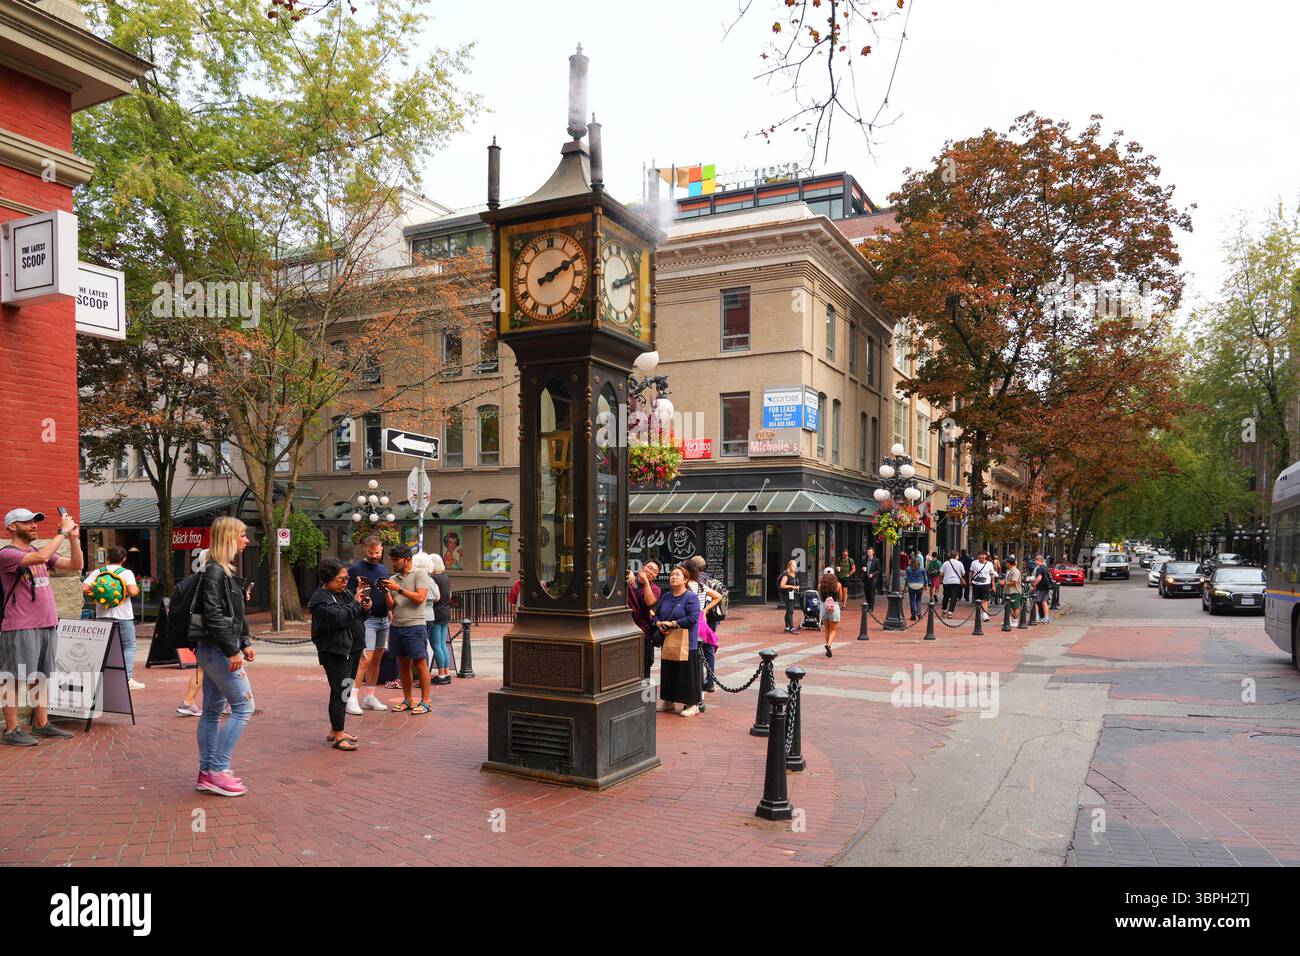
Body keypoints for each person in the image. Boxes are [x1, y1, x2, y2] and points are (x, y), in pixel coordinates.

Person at [1, 508, 82, 746]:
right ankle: (12, 730)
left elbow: (75, 565)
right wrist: (61, 532)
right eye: (28, 522)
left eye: (35, 521)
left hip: (47, 622)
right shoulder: (7, 553)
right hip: (20, 624)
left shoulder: (37, 550)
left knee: (42, 676)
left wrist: (74, 538)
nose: (34, 525)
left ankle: (41, 723)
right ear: (12, 527)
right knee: (13, 678)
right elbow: (40, 559)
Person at [193, 516, 254, 797]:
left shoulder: (219, 570)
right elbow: (215, 616)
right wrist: (233, 649)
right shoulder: (217, 572)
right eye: (242, 535)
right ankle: (218, 770)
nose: (246, 540)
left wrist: (244, 640)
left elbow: (231, 613)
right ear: (229, 537)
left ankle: (208, 772)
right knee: (243, 707)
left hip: (213, 648)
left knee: (212, 712)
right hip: (219, 650)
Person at [308, 558, 369, 750]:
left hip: (352, 648)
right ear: (329, 579)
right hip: (336, 651)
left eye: (346, 578)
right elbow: (340, 618)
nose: (345, 582)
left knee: (346, 689)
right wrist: (355, 604)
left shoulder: (343, 592)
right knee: (340, 691)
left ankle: (336, 729)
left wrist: (365, 608)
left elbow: (356, 615)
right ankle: (339, 734)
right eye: (341, 579)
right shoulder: (321, 599)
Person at [81, 545, 144, 690]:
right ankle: (127, 679)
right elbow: (133, 591)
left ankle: (100, 679)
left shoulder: (98, 571)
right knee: (129, 646)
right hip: (123, 616)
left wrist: (99, 591)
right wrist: (126, 592)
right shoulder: (126, 573)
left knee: (103, 648)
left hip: (102, 615)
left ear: (108, 558)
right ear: (124, 559)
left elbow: (83, 588)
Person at [381, 545, 434, 714]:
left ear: (408, 559)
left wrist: (399, 589)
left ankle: (425, 701)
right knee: (402, 664)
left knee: (420, 662)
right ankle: (408, 699)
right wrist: (385, 592)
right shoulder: (393, 578)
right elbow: (391, 605)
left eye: (396, 560)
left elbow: (419, 598)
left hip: (415, 625)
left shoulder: (420, 574)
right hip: (397, 626)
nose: (394, 563)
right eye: (392, 560)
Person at [347, 537, 392, 714]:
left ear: (382, 550)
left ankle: (369, 696)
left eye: (377, 552)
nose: (374, 556)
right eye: (371, 552)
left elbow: (384, 591)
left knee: (376, 659)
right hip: (367, 619)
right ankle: (352, 698)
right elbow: (349, 594)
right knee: (364, 659)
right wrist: (357, 592)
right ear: (365, 549)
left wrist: (389, 613)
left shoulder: (382, 568)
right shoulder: (356, 569)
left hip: (382, 618)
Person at [653, 566, 702, 717]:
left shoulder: (690, 597)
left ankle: (692, 704)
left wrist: (673, 623)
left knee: (686, 673)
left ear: (686, 580)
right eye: (672, 574)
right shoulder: (666, 596)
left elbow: (693, 618)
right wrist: (659, 623)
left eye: (677, 575)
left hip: (687, 642)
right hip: (668, 640)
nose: (673, 577)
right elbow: (656, 615)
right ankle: (668, 702)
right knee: (669, 671)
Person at [682, 559, 722, 693]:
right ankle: (709, 682)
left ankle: (694, 683)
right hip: (701, 622)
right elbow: (718, 596)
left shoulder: (686, 586)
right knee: (707, 651)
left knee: (693, 654)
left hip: (690, 623)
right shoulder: (701, 586)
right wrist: (705, 610)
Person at [421, 552, 453, 686]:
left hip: (436, 612)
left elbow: (435, 597)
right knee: (443, 644)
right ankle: (446, 672)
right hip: (446, 612)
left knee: (436, 644)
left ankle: (441, 674)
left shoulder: (433, 578)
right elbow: (450, 594)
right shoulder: (445, 577)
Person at [627, 561, 661, 679]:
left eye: (655, 572)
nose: (651, 572)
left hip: (643, 632)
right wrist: (629, 572)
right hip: (625, 630)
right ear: (642, 568)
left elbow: (650, 602)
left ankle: (645, 695)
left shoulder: (655, 588)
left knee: (644, 666)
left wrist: (646, 582)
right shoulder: (630, 579)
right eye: (649, 568)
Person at [818, 568, 841, 657]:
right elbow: (841, 597)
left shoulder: (820, 586)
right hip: (834, 606)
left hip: (824, 606)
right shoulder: (838, 585)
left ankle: (828, 646)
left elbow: (820, 597)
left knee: (827, 629)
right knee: (833, 630)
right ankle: (829, 645)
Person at [969, 551, 995, 622]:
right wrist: (970, 580)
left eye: (983, 555)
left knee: (985, 599)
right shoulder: (974, 563)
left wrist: (993, 585)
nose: (981, 557)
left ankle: (985, 614)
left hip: (986, 584)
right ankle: (979, 614)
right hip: (976, 583)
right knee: (977, 600)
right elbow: (971, 572)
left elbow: (992, 575)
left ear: (986, 556)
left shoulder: (990, 564)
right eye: (980, 555)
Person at [940, 550, 965, 618]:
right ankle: (950, 612)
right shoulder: (960, 563)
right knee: (954, 598)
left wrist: (942, 580)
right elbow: (963, 573)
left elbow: (941, 573)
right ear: (956, 556)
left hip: (947, 582)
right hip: (956, 582)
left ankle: (944, 610)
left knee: (946, 597)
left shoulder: (945, 563)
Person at [778, 559, 800, 634]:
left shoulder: (794, 574)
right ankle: (791, 628)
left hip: (793, 595)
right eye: (792, 565)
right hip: (787, 595)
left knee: (788, 611)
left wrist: (797, 587)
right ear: (789, 566)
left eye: (795, 565)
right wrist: (792, 587)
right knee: (791, 611)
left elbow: (795, 583)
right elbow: (782, 585)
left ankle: (787, 627)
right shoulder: (786, 574)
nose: (794, 567)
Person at [1031, 554, 1053, 623]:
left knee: (1036, 602)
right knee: (1044, 602)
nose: (1035, 562)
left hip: (1040, 588)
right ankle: (1046, 618)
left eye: (1035, 560)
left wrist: (1034, 585)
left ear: (1038, 560)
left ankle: (1037, 617)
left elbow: (1039, 578)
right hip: (1046, 587)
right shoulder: (1045, 568)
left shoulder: (1039, 568)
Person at [905, 556, 928, 620]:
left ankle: (913, 615)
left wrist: (906, 586)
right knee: (918, 600)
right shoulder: (922, 569)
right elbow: (925, 577)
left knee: (912, 600)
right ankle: (919, 612)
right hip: (920, 585)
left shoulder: (908, 569)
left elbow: (906, 578)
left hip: (911, 585)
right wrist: (926, 585)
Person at [861, 547, 882, 612]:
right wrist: (863, 569)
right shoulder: (864, 560)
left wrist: (873, 574)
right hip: (866, 578)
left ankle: (871, 607)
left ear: (873, 553)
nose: (869, 553)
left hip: (873, 579)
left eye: (870, 552)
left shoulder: (876, 560)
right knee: (866, 592)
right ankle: (868, 604)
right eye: (868, 552)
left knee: (871, 593)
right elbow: (863, 567)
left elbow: (879, 570)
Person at [1003, 557, 1023, 622]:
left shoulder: (1015, 571)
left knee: (1015, 606)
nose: (1005, 564)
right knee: (1007, 606)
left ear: (1009, 563)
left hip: (1014, 591)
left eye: (1006, 563)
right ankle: (1008, 620)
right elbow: (1008, 579)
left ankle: (1015, 620)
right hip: (1008, 591)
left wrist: (1005, 583)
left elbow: (1014, 582)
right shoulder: (1008, 570)